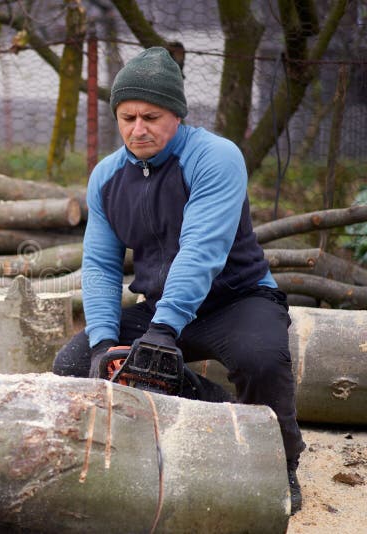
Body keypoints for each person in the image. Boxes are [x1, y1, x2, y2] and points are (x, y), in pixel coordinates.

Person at [52, 46, 305, 514]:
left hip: (237, 299)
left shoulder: (216, 157)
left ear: (177, 115)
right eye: (127, 117)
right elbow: (102, 264)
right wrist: (102, 343)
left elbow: (201, 251)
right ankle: (210, 402)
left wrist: (163, 331)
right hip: (161, 306)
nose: (137, 128)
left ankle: (282, 463)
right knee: (72, 364)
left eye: (151, 116)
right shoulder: (107, 176)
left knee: (262, 360)